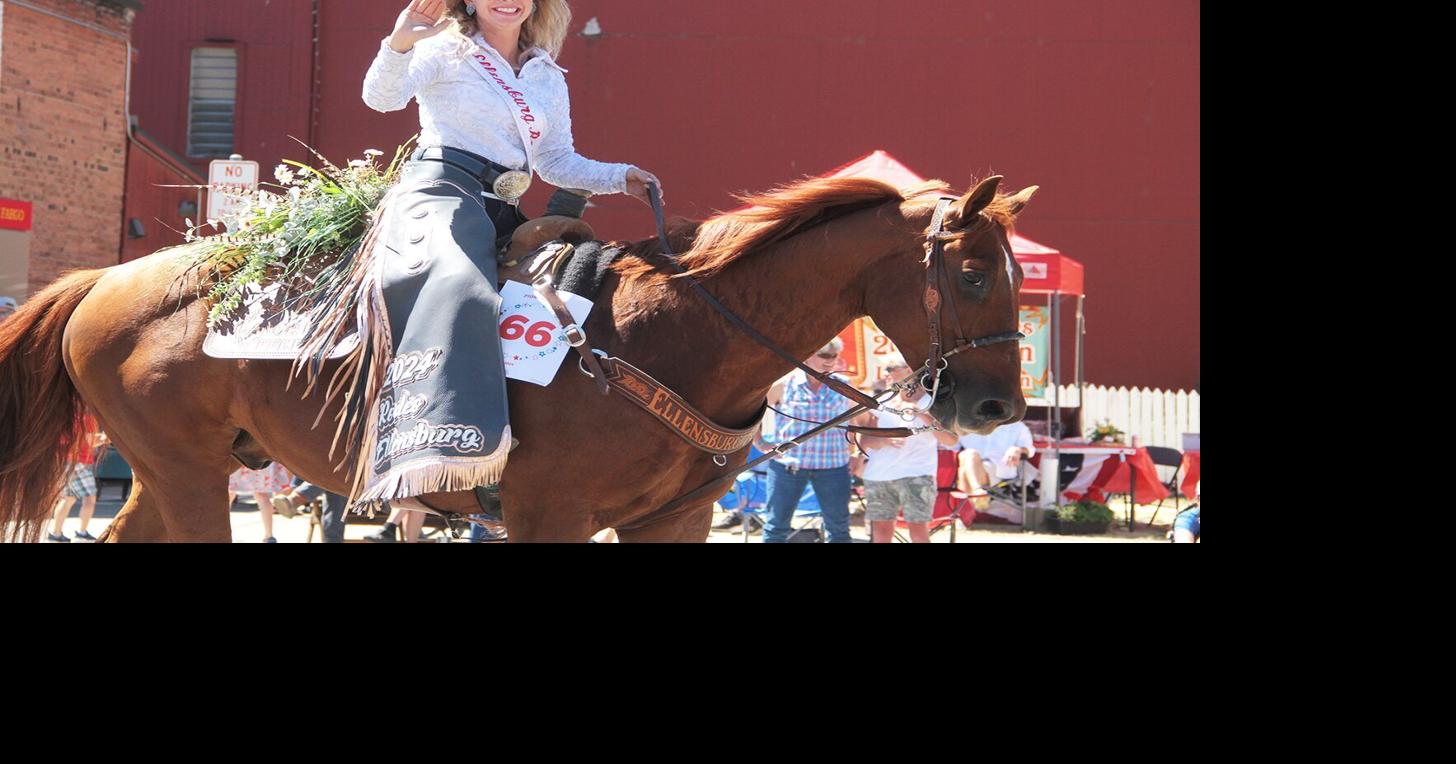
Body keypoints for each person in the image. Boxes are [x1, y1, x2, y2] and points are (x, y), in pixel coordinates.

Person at [353, 0, 662, 517]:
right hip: (441, 191)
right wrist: (401, 40)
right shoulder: (444, 50)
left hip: (504, 204)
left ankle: (521, 446)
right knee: (461, 287)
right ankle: (425, 443)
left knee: (557, 297)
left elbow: (556, 160)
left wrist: (619, 177)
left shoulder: (546, 74)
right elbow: (381, 99)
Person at [757, 339, 856, 543]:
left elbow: (857, 422)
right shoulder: (784, 385)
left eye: (834, 356)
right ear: (808, 356)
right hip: (788, 467)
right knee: (776, 527)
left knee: (839, 530)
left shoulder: (845, 385)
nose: (830, 360)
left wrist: (854, 453)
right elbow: (752, 413)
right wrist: (759, 443)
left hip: (834, 467)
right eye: (824, 355)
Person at [852, 357, 958, 543]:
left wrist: (922, 414)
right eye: (885, 369)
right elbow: (865, 440)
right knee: (881, 533)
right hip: (879, 475)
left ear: (910, 369)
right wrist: (885, 440)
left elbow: (951, 440)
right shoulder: (880, 402)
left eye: (891, 368)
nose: (886, 374)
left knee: (918, 533)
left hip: (917, 475)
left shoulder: (930, 402)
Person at [47, 415, 106, 543]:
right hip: (80, 463)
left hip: (67, 462)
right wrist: (106, 438)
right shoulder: (87, 418)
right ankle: (82, 532)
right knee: (90, 498)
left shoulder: (69, 416)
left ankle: (56, 533)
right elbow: (91, 442)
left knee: (68, 499)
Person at [228, 462, 294, 543]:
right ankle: (269, 536)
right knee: (262, 495)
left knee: (228, 494)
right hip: (260, 460)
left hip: (239, 459)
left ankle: (222, 531)